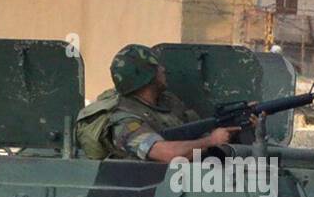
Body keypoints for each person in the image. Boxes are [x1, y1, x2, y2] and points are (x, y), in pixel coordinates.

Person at [75, 45, 237, 162]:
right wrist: (211, 141)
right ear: (147, 76)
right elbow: (167, 154)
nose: (163, 70)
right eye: (157, 66)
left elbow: (195, 130)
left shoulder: (167, 102)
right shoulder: (124, 121)